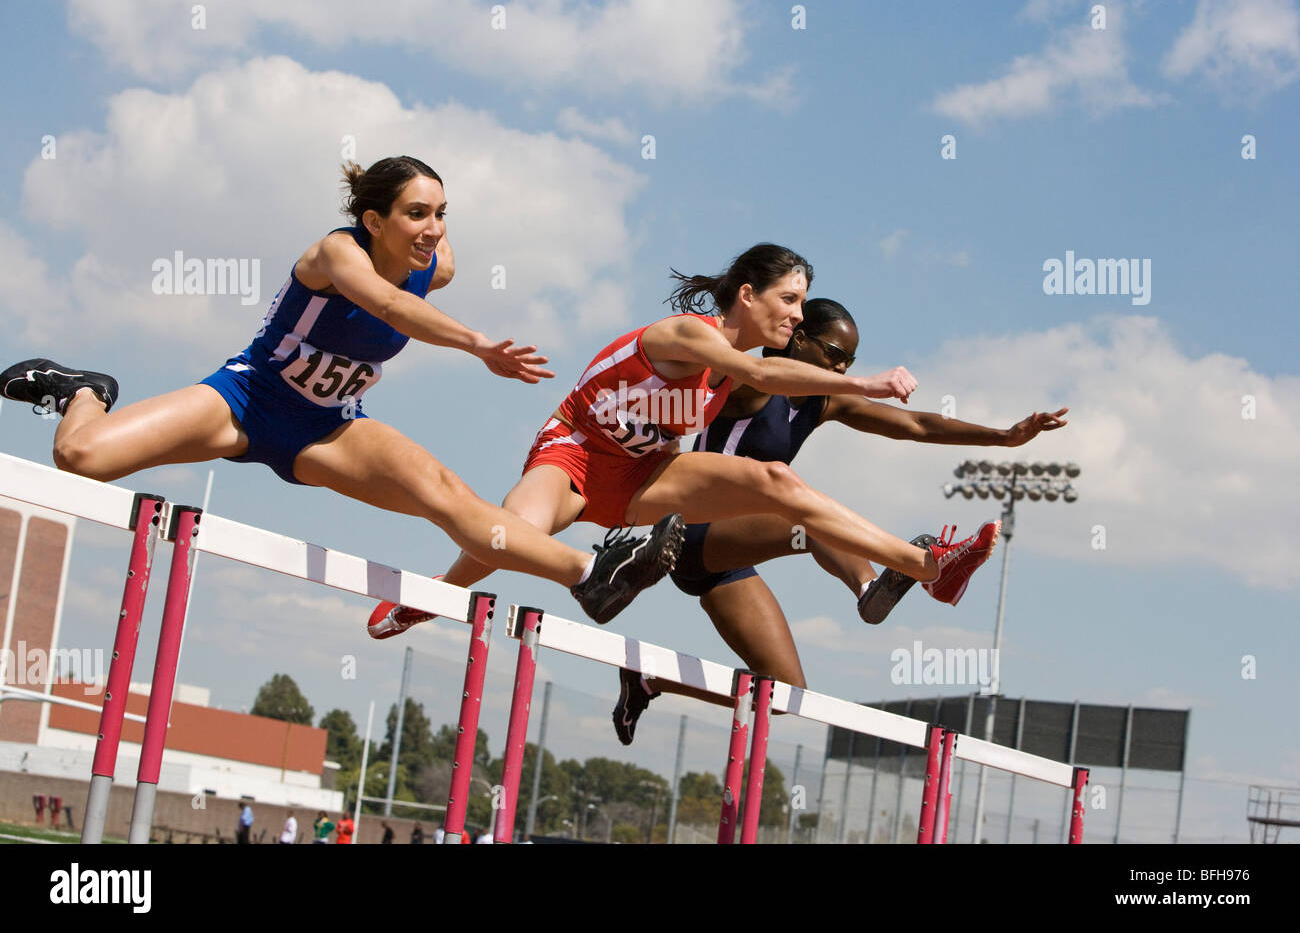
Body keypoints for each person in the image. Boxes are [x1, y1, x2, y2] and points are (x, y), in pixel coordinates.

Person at [0, 156, 685, 627]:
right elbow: (388, 307)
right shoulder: (334, 254)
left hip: (329, 426)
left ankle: (593, 570)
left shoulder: (435, 265)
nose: (435, 230)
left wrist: (436, 256)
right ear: (372, 219)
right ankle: (84, 389)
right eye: (417, 213)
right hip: (247, 400)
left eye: (442, 213)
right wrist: (478, 345)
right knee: (81, 459)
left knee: (448, 499)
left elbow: (413, 285)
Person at [371, 244, 1001, 638]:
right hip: (577, 453)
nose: (796, 317)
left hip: (646, 475)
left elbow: (767, 375)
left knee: (777, 482)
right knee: (511, 530)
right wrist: (868, 381)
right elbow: (762, 373)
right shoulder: (689, 334)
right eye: (789, 300)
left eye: (803, 306)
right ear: (748, 294)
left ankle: (928, 567)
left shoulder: (741, 359)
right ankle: (431, 597)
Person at [609, 298, 1068, 742]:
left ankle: (650, 681)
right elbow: (719, 373)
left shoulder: (823, 401)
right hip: (691, 531)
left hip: (726, 560)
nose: (842, 370)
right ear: (799, 339)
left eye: (850, 361)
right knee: (803, 510)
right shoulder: (751, 384)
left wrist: (1004, 438)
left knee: (786, 693)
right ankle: (874, 588)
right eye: (834, 355)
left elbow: (916, 425)